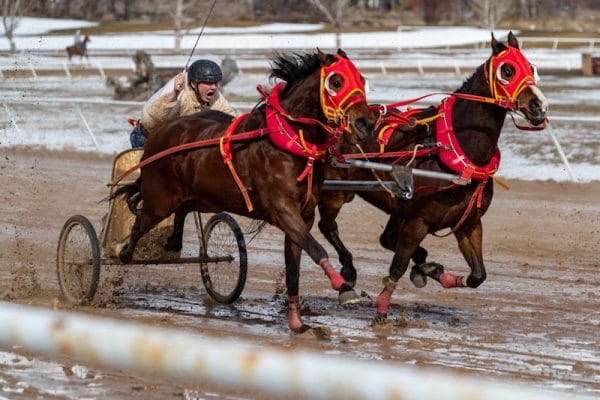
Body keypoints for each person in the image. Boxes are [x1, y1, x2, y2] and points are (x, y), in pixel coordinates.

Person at [129, 59, 236, 148]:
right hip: (147, 138)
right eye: (208, 83)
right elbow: (153, 120)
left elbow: (228, 115)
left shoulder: (213, 93)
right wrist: (174, 94)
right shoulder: (179, 93)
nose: (214, 87)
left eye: (215, 82)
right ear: (194, 84)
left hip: (174, 141)